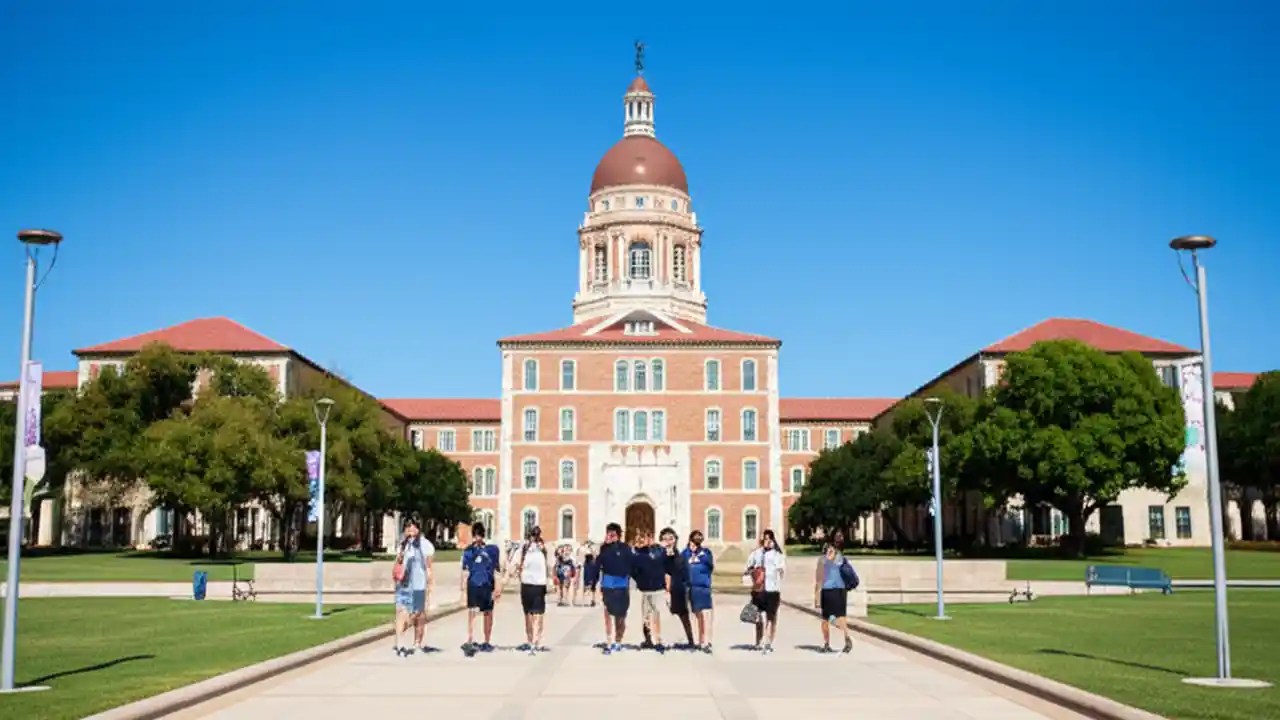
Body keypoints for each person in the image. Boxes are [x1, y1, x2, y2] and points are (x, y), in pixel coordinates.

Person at [393, 519, 435, 656]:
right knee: (401, 613)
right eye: (407, 527)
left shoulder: (425, 545)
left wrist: (429, 587)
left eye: (413, 526)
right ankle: (400, 643)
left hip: (418, 585)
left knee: (418, 615)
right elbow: (398, 563)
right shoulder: (403, 545)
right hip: (403, 585)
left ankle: (417, 642)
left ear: (418, 528)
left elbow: (428, 567)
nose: (410, 529)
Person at [460, 521, 502, 657]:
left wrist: (498, 587)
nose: (477, 538)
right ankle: (471, 638)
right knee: (472, 612)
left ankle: (487, 640)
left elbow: (497, 569)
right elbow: (465, 571)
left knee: (488, 613)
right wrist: (462, 590)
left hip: (487, 584)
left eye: (479, 535)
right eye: (476, 536)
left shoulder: (492, 550)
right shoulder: (468, 551)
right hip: (473, 584)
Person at [744, 529, 785, 654]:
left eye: (768, 539)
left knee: (771, 617)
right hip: (758, 589)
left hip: (772, 589)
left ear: (772, 540)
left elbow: (781, 571)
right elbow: (748, 567)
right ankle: (758, 641)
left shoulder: (777, 555)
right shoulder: (756, 553)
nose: (766, 541)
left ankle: (768, 642)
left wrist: (775, 577)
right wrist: (754, 573)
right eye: (764, 539)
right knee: (758, 617)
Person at [597, 522, 635, 655]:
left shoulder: (625, 548)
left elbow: (631, 565)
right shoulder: (604, 549)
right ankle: (609, 640)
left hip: (621, 584)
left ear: (618, 535)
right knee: (608, 613)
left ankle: (618, 640)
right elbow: (598, 564)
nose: (610, 536)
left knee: (621, 616)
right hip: (608, 584)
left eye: (613, 534)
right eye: (608, 533)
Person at [813, 531, 854, 654]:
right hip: (834, 590)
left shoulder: (835, 558)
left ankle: (838, 640)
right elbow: (819, 579)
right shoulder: (837, 558)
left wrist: (817, 595)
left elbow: (819, 579)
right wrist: (817, 596)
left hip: (833, 590)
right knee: (832, 618)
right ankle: (835, 640)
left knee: (833, 618)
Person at [514, 525, 549, 655]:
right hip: (532, 583)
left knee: (534, 614)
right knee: (532, 614)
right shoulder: (528, 548)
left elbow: (519, 565)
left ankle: (534, 641)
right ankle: (533, 641)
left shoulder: (537, 548)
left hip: (534, 583)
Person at [631, 529, 667, 652]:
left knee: (656, 614)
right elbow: (633, 570)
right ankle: (648, 639)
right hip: (646, 589)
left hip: (657, 588)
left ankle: (658, 639)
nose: (647, 539)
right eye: (645, 537)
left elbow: (667, 565)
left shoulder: (660, 551)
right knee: (646, 616)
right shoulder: (639, 553)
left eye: (649, 536)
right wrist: (640, 581)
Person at [659, 527, 695, 649]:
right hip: (660, 589)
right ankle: (656, 640)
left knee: (683, 615)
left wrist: (686, 588)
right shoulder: (658, 555)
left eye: (671, 538)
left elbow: (685, 574)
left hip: (678, 589)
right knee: (657, 615)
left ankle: (691, 640)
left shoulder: (681, 556)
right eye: (665, 539)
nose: (668, 541)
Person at [682, 529, 715, 653]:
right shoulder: (686, 553)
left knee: (705, 614)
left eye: (699, 539)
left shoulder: (706, 553)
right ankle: (698, 640)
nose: (696, 542)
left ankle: (706, 641)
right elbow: (681, 564)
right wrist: (689, 551)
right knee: (696, 615)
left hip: (703, 587)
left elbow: (710, 566)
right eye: (694, 539)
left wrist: (697, 554)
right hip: (692, 588)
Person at [580, 540, 600, 608]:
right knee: (587, 584)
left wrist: (593, 551)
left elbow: (596, 556)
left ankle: (592, 600)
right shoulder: (586, 551)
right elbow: (583, 556)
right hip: (588, 568)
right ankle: (586, 600)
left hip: (594, 568)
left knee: (593, 586)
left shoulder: (595, 552)